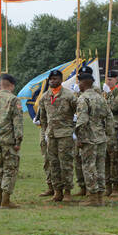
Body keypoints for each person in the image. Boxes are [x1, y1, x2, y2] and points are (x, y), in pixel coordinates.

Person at [38, 70, 77, 202]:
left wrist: (74, 130)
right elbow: (42, 117)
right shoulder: (45, 97)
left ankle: (67, 191)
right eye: (51, 79)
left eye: (55, 79)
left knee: (65, 163)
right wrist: (45, 132)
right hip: (51, 135)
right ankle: (57, 191)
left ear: (61, 79)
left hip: (65, 134)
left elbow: (77, 113)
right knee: (53, 163)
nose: (52, 81)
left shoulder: (69, 96)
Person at [0, 74, 24, 209]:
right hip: (8, 141)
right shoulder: (14, 100)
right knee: (10, 169)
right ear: (12, 85)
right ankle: (6, 201)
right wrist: (18, 141)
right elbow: (18, 122)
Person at [74, 67, 109, 206]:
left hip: (88, 138)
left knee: (89, 167)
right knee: (100, 167)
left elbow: (82, 120)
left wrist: (80, 138)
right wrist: (108, 134)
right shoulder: (100, 97)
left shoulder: (83, 99)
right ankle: (100, 196)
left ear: (84, 83)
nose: (78, 85)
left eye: (79, 83)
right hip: (101, 137)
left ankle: (93, 197)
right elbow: (109, 117)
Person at [105, 70, 118, 198]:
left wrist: (107, 94)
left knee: (114, 159)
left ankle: (115, 187)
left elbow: (113, 108)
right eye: (107, 79)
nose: (108, 81)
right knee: (104, 159)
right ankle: (107, 186)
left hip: (114, 130)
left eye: (111, 79)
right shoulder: (102, 93)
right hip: (103, 130)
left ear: (116, 79)